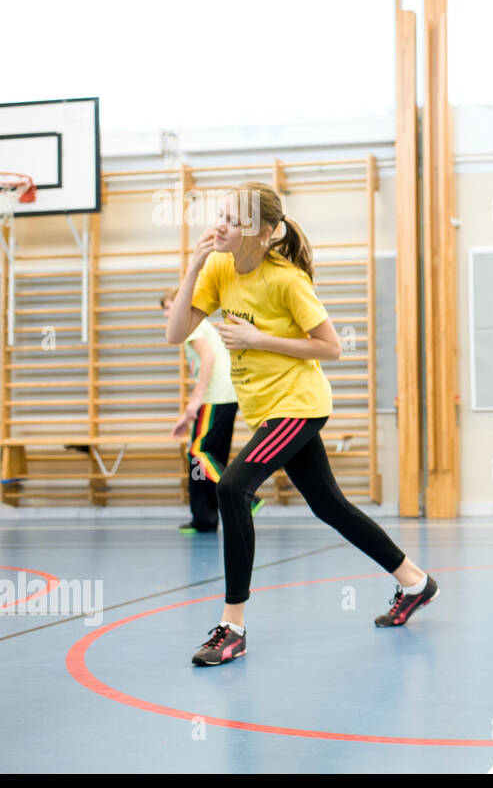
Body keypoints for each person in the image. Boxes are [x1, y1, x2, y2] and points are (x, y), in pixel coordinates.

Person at [166, 182, 437, 666]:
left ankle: (233, 628)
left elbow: (331, 347)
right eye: (221, 216)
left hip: (299, 405)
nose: (221, 225)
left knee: (231, 488)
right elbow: (176, 334)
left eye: (234, 219)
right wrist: (192, 267)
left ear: (264, 233)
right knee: (330, 505)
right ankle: (416, 582)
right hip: (268, 410)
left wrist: (258, 337)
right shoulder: (219, 268)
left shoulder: (286, 280)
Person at [161, 289, 263, 533]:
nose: (167, 314)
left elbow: (207, 359)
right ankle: (204, 518)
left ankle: (245, 496)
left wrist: (195, 403)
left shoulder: (190, 325)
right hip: (226, 395)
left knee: (199, 452)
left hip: (215, 396)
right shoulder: (201, 325)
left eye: (170, 307)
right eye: (165, 309)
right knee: (208, 458)